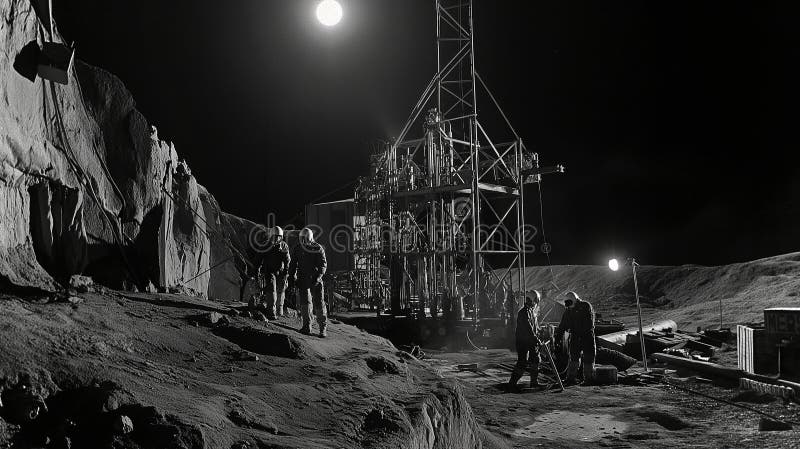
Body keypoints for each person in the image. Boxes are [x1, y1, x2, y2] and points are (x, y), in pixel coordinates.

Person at [288, 228, 328, 337]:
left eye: (305, 238)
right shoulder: (297, 248)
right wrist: (291, 277)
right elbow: (293, 264)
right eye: (302, 238)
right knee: (305, 304)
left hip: (316, 280)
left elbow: (323, 265)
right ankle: (307, 326)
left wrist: (318, 277)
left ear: (310, 238)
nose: (303, 241)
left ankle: (322, 329)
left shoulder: (318, 248)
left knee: (319, 303)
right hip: (303, 279)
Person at [554, 291, 596, 385]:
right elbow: (562, 326)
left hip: (586, 336)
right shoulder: (568, 311)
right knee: (573, 357)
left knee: (588, 357)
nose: (568, 306)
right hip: (576, 336)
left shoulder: (585, 306)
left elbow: (589, 324)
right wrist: (557, 339)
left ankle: (588, 379)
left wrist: (579, 333)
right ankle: (571, 378)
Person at [507, 291, 543, 390]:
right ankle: (512, 383)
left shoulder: (530, 311)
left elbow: (534, 327)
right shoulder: (524, 312)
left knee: (535, 359)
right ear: (534, 300)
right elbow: (529, 328)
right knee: (522, 362)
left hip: (528, 340)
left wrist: (540, 332)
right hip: (523, 341)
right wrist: (536, 338)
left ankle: (534, 382)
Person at [256, 226, 291, 320]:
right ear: (271, 236)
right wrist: (257, 270)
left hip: (281, 272)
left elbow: (287, 260)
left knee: (281, 290)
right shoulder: (265, 245)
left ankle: (279, 311)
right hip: (270, 271)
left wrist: (286, 273)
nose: (277, 239)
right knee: (271, 290)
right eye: (275, 237)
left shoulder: (284, 246)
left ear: (281, 237)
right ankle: (271, 312)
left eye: (279, 237)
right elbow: (259, 259)